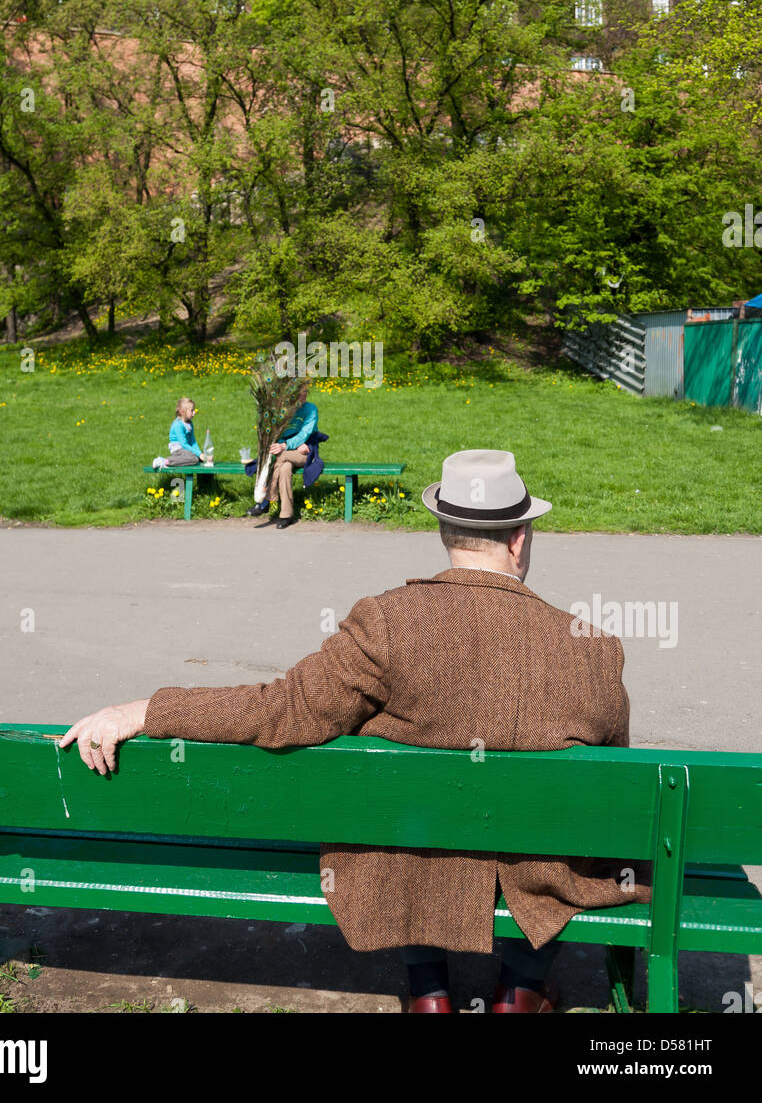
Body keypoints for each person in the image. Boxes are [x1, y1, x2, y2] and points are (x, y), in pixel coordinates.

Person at [61, 448, 651, 1014]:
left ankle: (429, 992)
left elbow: (279, 712)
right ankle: (521, 990)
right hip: (537, 878)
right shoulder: (593, 649)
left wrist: (146, 711)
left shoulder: (386, 623)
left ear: (444, 531)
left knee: (396, 801)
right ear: (519, 538)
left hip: (414, 862)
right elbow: (617, 788)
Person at [245, 381, 326, 530]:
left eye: (305, 393)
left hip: (305, 451)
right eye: (300, 394)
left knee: (279, 457)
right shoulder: (284, 410)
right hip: (289, 451)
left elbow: (305, 433)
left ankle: (264, 502)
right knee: (284, 468)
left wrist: (286, 445)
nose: (304, 396)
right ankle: (286, 515)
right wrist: (284, 444)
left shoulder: (311, 409)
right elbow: (277, 434)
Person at [163, 397, 206, 468]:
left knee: (200, 459)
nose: (194, 412)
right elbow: (183, 444)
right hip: (178, 450)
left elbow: (193, 442)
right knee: (194, 459)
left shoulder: (190, 423)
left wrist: (200, 454)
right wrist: (198, 454)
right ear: (182, 412)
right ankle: (166, 461)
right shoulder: (178, 425)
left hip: (186, 449)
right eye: (192, 410)